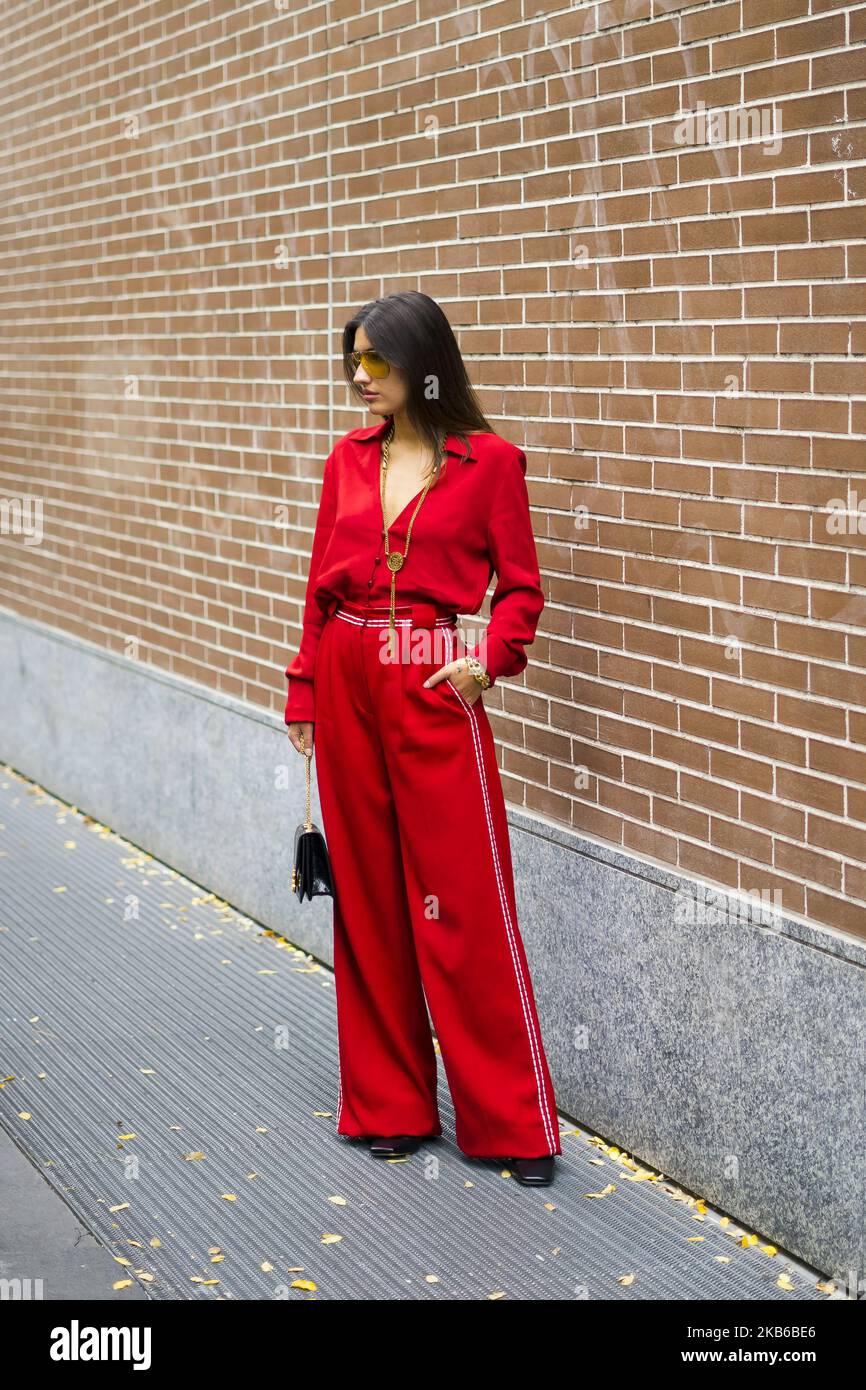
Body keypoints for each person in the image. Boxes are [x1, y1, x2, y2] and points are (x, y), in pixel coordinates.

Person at [284, 290, 561, 1185]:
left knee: (465, 903)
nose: (360, 379)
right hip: (349, 674)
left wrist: (487, 662)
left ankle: (510, 1123)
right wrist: (304, 693)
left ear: (423, 361)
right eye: (353, 362)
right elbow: (319, 589)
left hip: (434, 675)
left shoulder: (491, 463)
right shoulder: (346, 460)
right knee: (367, 900)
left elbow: (520, 590)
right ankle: (389, 1103)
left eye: (376, 362)